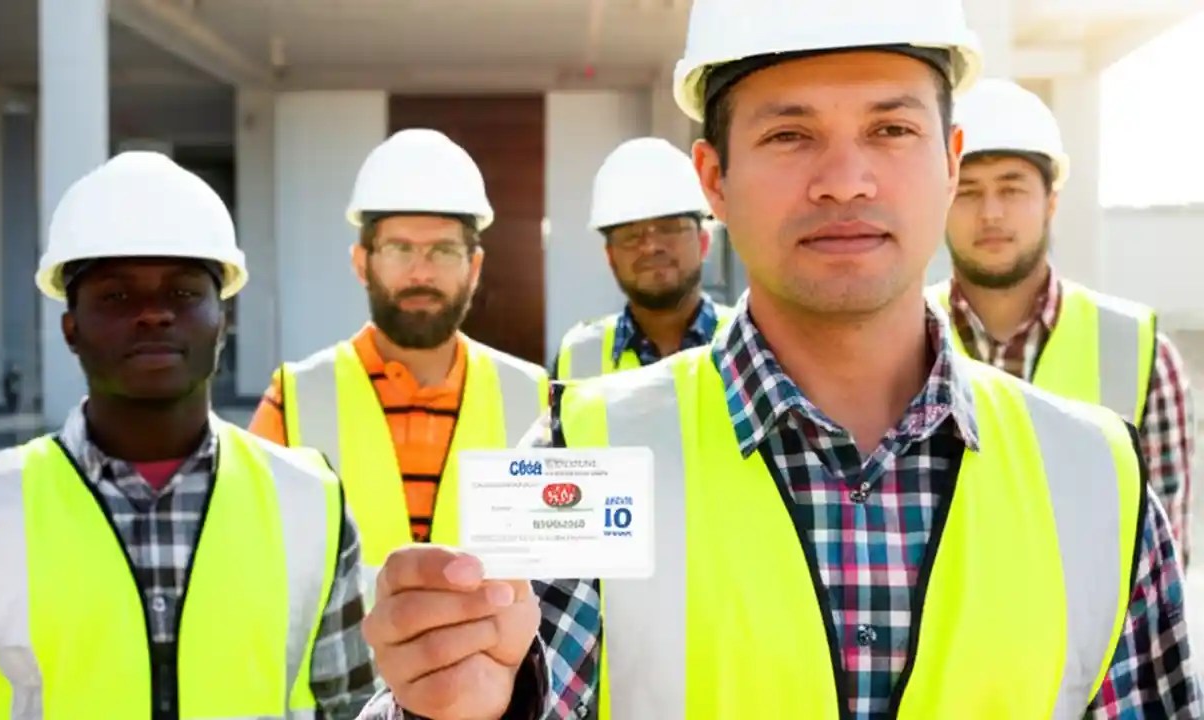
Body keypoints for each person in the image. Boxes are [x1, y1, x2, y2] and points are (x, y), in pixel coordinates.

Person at [355, 0, 1200, 718]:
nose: (845, 179)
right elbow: (486, 685)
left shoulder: (1095, 479)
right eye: (791, 133)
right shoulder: (588, 453)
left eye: (891, 128)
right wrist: (459, 696)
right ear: (715, 181)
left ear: (949, 160)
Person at [0, 152, 377, 717]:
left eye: (184, 292)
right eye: (116, 295)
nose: (154, 314)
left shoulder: (310, 502)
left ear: (223, 321)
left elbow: (354, 707)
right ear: (72, 327)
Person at [248, 128, 548, 606]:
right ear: (362, 263)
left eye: (443, 251)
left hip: (491, 679)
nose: (421, 273)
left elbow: (563, 577)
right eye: (399, 249)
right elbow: (253, 562)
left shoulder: (532, 398)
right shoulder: (296, 398)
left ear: (474, 267)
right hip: (342, 680)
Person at [930, 77, 1195, 561]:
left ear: (1051, 201)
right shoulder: (898, 336)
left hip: (1092, 640)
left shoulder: (1139, 353)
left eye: (1012, 188)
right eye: (967, 191)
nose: (991, 213)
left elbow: (1160, 559)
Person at [552, 136, 735, 379]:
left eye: (669, 228)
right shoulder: (579, 356)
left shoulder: (749, 342)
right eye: (631, 235)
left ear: (703, 242)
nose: (651, 246)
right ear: (610, 256)